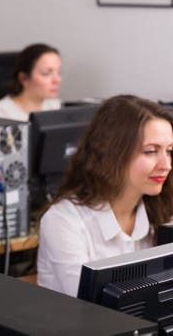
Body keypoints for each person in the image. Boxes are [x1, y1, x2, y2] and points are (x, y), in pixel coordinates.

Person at [37, 95, 173, 297]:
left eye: (170, 151)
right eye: (151, 151)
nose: (166, 165)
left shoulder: (162, 211)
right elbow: (94, 309)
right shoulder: (63, 221)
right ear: (113, 153)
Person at [0, 43, 62, 122]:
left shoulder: (56, 106)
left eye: (59, 72)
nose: (57, 80)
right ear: (24, 78)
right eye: (46, 73)